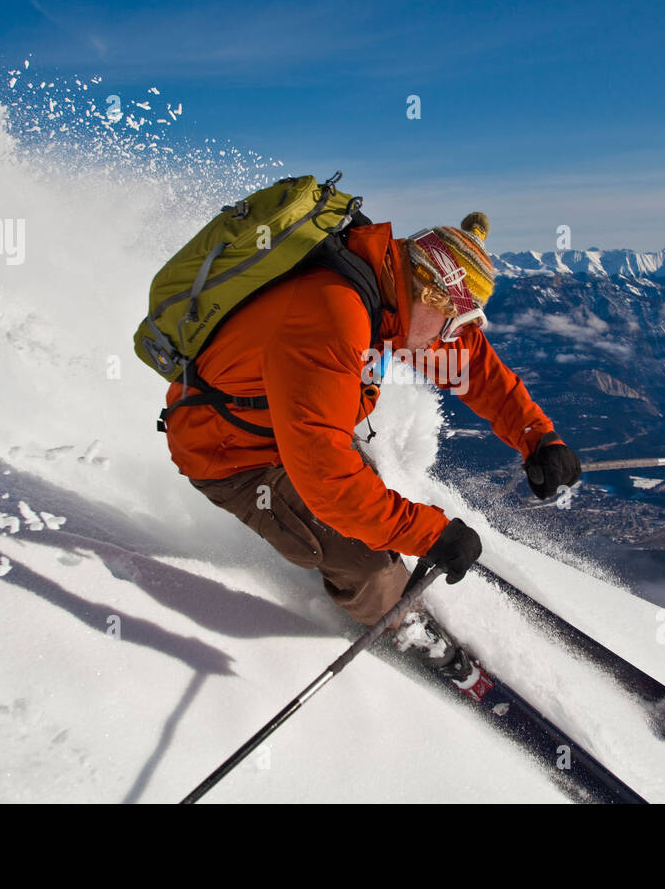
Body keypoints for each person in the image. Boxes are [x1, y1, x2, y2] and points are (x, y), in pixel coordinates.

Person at [161, 210, 581, 687]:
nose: (449, 339)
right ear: (431, 295)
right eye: (450, 323)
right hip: (238, 454)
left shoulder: (389, 291)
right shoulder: (331, 315)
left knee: (373, 507)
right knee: (369, 564)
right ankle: (414, 634)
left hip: (295, 427)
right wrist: (429, 535)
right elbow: (328, 483)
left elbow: (469, 363)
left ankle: (394, 557)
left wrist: (537, 436)